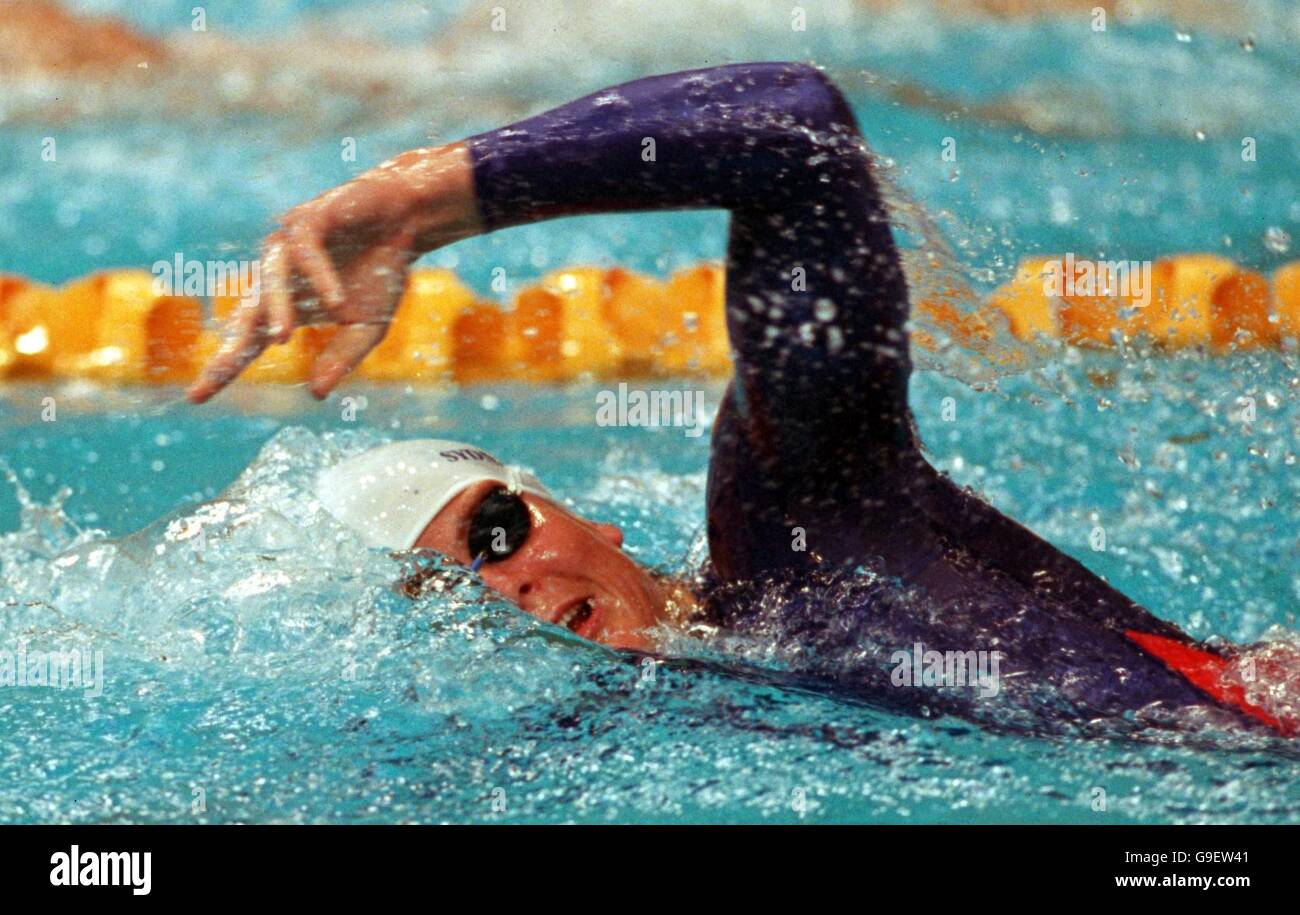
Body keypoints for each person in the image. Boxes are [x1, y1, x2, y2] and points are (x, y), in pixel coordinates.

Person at [186, 62, 1294, 736]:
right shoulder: (692, 707)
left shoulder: (801, 535)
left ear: (580, 514)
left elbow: (793, 129)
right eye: (448, 592)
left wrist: (430, 198)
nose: (507, 589)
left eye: (492, 529)